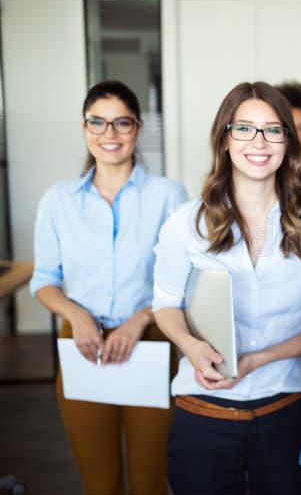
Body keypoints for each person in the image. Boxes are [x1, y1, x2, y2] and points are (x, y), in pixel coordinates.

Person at [152, 81, 301, 495]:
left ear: (288, 142)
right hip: (201, 413)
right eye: (245, 129)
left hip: (285, 414)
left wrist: (258, 359)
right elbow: (164, 305)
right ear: (225, 139)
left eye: (273, 130)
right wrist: (191, 345)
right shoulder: (185, 223)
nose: (260, 141)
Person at [31, 80, 188, 495]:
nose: (109, 134)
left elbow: (181, 279)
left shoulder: (168, 195)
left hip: (152, 339)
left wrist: (139, 320)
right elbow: (44, 281)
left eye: (121, 122)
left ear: (137, 128)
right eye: (97, 122)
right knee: (99, 482)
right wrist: (77, 316)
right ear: (84, 128)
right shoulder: (58, 200)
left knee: (150, 479)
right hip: (82, 345)